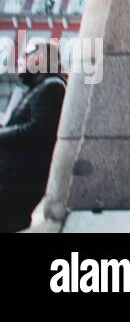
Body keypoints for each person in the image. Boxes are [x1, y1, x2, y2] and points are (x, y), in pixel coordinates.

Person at [0, 39, 67, 233]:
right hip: (15, 177)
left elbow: (39, 130)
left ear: (40, 58)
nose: (20, 60)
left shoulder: (51, 87)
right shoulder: (41, 87)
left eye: (25, 55)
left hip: (18, 180)